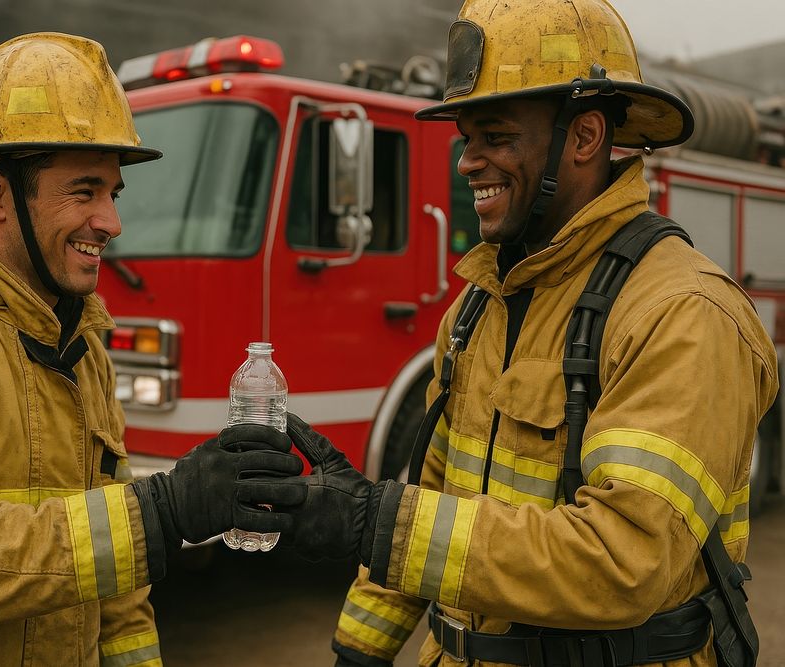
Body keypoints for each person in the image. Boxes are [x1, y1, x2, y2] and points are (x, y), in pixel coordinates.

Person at [251, 1, 779, 665]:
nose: (468, 163)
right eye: (466, 139)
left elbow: (625, 560)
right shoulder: (477, 309)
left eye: (496, 137)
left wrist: (376, 522)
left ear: (584, 137)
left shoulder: (682, 313)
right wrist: (358, 651)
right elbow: (433, 498)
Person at [0, 32, 300, 666]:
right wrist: (160, 512)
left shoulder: (82, 350)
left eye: (112, 194)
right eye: (84, 191)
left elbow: (118, 591)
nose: (111, 222)